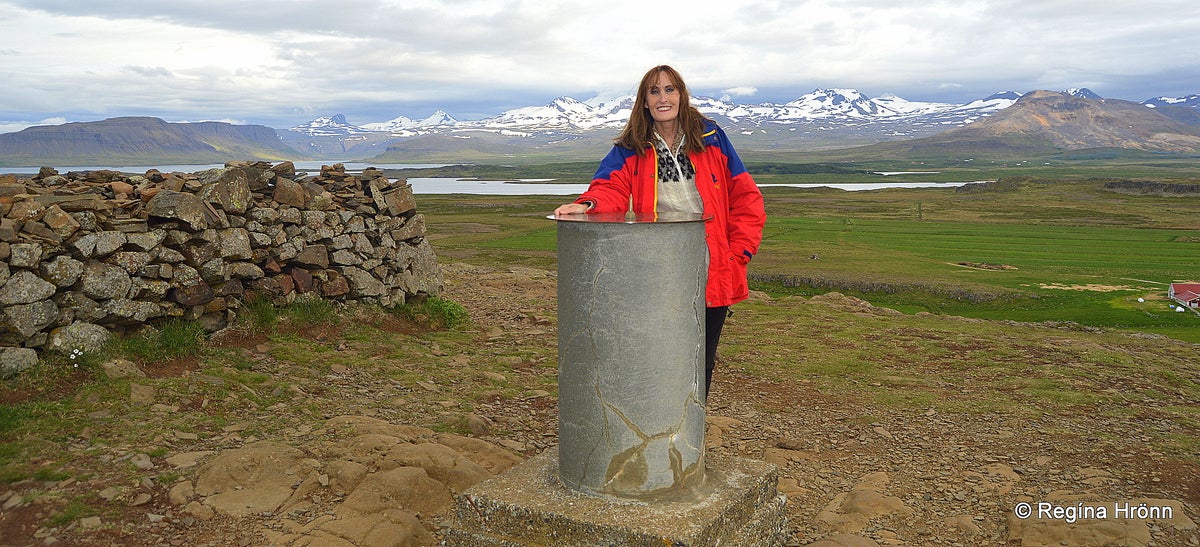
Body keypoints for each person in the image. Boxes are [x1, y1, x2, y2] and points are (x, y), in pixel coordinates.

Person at [554, 64, 766, 401]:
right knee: (657, 349)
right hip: (656, 267)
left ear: (681, 95)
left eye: (670, 89)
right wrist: (588, 204)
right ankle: (657, 429)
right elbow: (609, 186)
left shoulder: (711, 137)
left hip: (711, 264)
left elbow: (746, 196)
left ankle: (690, 435)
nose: (663, 97)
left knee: (701, 356)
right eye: (654, 91)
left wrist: (739, 253)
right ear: (645, 101)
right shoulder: (632, 146)